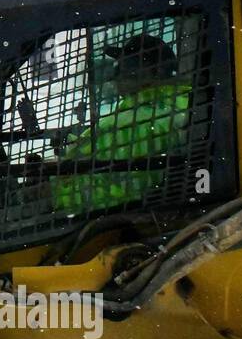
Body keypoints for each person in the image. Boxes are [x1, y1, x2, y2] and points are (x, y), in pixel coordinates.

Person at [50, 33, 192, 213]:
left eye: (129, 66)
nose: (117, 74)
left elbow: (117, 191)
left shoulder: (146, 122)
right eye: (119, 66)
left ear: (155, 72)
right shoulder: (157, 108)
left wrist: (53, 192)